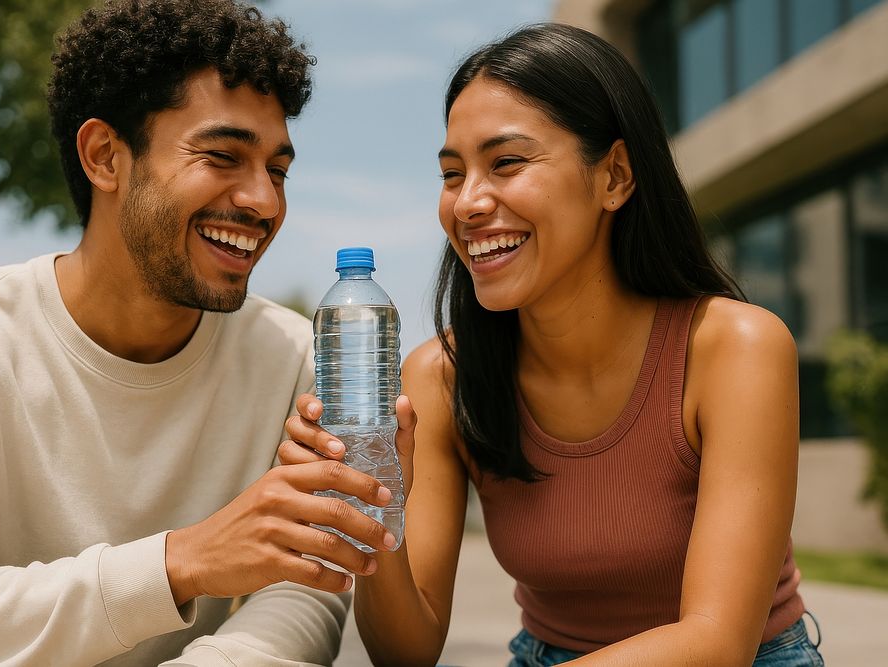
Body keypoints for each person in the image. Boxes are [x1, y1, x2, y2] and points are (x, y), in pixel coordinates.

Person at [282, 23, 825, 666]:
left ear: (614, 177)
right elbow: (407, 651)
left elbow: (715, 642)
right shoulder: (442, 376)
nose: (469, 203)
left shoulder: (736, 348)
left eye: (507, 162)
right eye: (453, 174)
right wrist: (370, 505)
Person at [0, 1, 397, 664]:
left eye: (277, 169)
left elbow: (305, 586)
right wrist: (181, 560)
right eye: (222, 156)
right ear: (105, 156)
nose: (265, 202)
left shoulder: (295, 359)